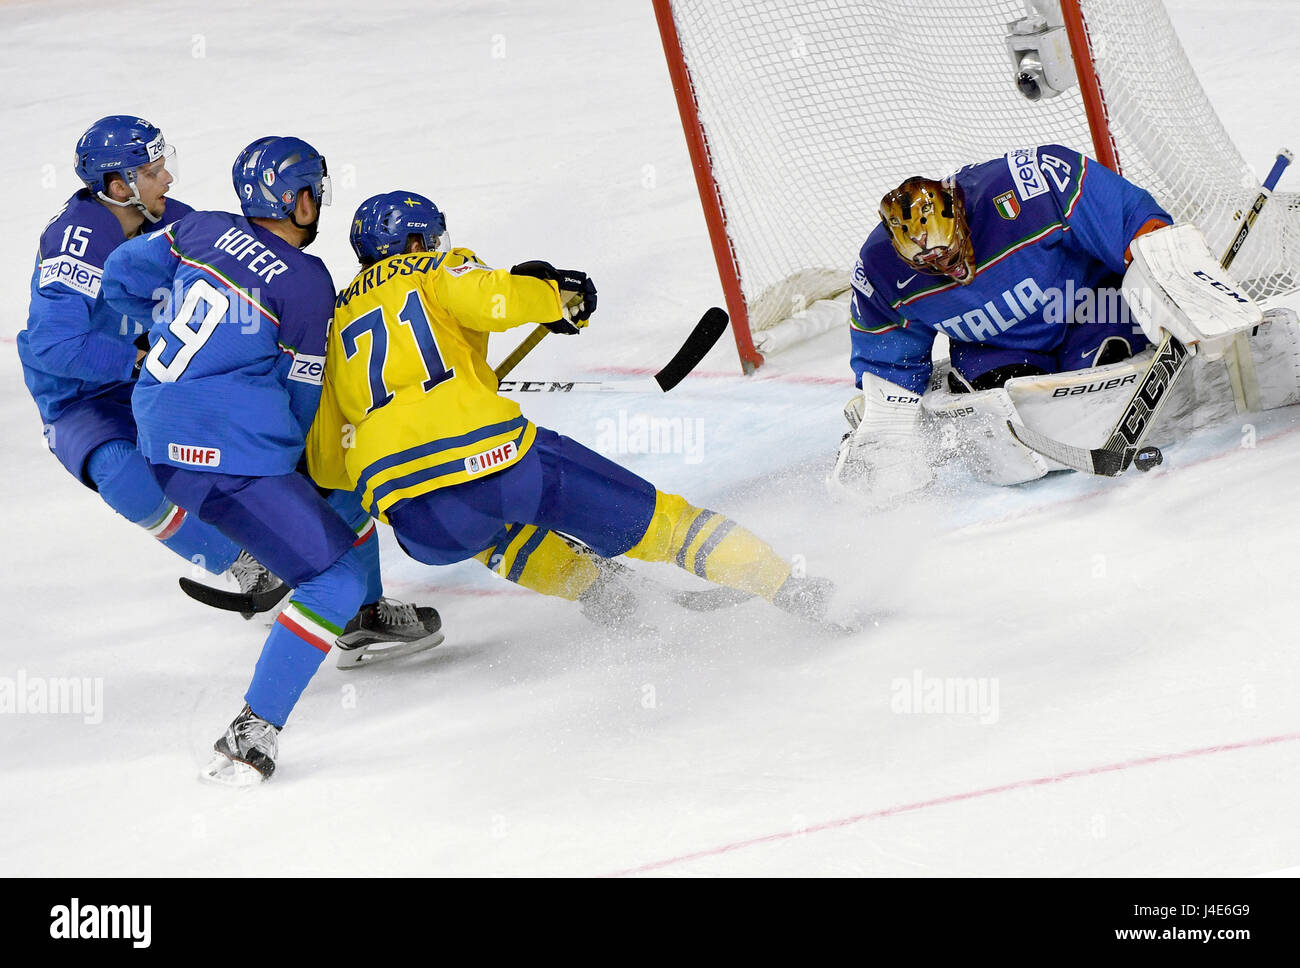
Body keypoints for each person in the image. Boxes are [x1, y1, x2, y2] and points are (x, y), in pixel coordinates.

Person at [296, 189, 844, 771]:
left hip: (413, 519)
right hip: (494, 461)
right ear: (413, 244)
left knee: (487, 530)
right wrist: (556, 299)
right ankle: (789, 588)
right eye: (429, 239)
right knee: (664, 522)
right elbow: (492, 296)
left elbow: (330, 462)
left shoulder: (333, 324)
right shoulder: (436, 270)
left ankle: (602, 592)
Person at [100, 140, 441, 786]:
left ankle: (365, 620)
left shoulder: (200, 228)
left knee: (335, 498)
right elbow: (302, 401)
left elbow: (121, 277)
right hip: (229, 457)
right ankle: (250, 733)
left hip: (159, 437)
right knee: (331, 575)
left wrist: (163, 325)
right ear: (301, 199)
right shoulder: (307, 282)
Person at [16, 115, 280, 605]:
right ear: (119, 186)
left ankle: (293, 531)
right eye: (154, 171)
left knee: (258, 417)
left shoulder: (171, 217)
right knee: (120, 472)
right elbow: (55, 346)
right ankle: (247, 566)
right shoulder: (78, 240)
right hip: (77, 394)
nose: (168, 179)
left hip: (152, 366)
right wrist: (138, 360)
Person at [834, 143, 1173, 496]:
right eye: (926, 264)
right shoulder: (878, 268)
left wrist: (1167, 273)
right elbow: (887, 364)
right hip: (995, 347)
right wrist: (886, 428)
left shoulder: (1030, 181)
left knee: (1098, 373)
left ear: (959, 212)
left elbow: (1131, 219)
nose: (944, 266)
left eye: (947, 251)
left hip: (1089, 311)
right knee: (1000, 404)